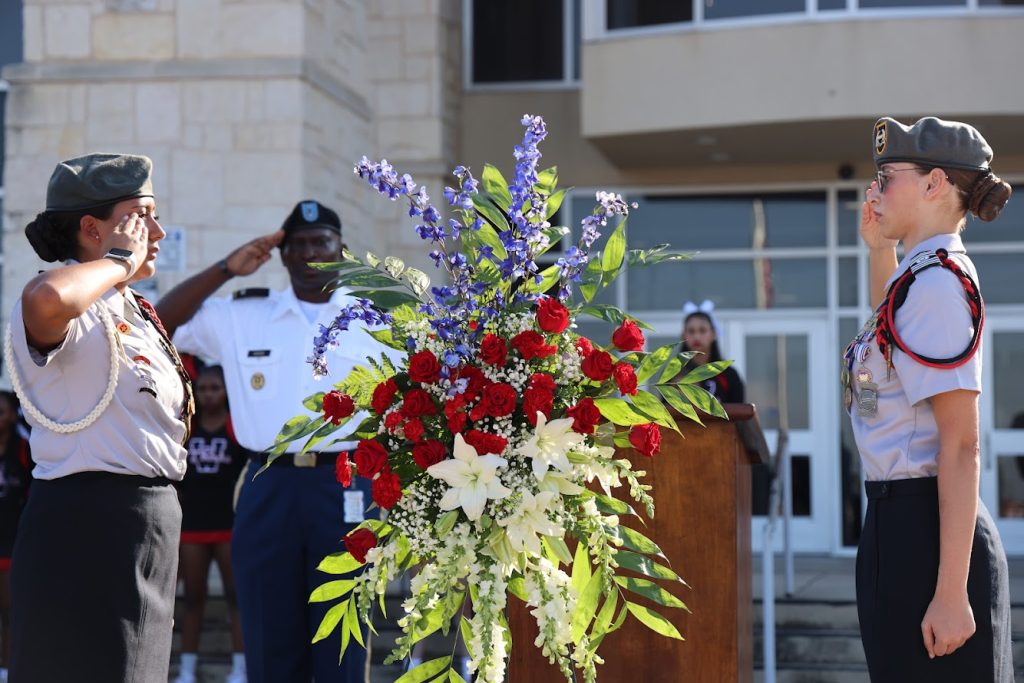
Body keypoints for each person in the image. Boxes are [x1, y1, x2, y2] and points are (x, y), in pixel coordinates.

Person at [157, 200, 389, 683]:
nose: (309, 255)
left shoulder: (378, 321)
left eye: (320, 243)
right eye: (298, 246)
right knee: (267, 631)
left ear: (341, 250)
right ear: (283, 257)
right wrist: (225, 269)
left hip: (344, 485)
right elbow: (161, 322)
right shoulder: (245, 315)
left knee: (343, 639)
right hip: (269, 485)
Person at [5, 153, 193, 682]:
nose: (156, 230)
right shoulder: (67, 292)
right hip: (86, 524)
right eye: (141, 216)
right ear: (92, 228)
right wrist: (118, 261)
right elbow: (44, 300)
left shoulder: (129, 308)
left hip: (145, 523)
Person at [849, 116, 1014, 681]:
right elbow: (889, 346)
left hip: (927, 536)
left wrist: (951, 593)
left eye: (886, 176)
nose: (874, 192)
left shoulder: (939, 285)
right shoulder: (916, 279)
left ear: (932, 183)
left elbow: (962, 444)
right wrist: (878, 252)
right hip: (900, 526)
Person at [173, 364, 249, 683]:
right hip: (192, 525)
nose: (208, 394)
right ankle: (187, 669)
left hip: (229, 526)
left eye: (214, 388)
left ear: (226, 390)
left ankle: (240, 669)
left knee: (236, 597)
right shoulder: (187, 427)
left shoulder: (237, 427)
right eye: (203, 388)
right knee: (192, 598)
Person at [0, 391, 30, 683]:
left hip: (12, 540)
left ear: (12, 416)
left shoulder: (24, 449)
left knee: (11, 611)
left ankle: (7, 670)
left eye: (1, 412)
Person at [677, 303, 745, 403]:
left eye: (702, 330)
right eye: (691, 331)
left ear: (713, 334)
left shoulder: (729, 375)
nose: (697, 337)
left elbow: (740, 413)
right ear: (683, 335)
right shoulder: (673, 374)